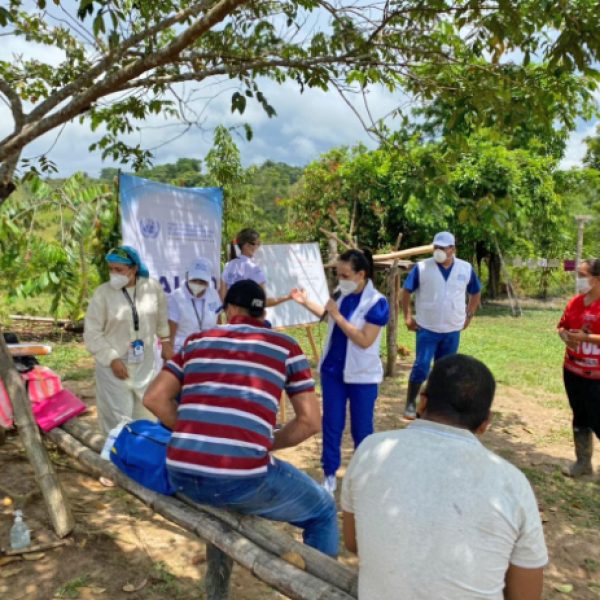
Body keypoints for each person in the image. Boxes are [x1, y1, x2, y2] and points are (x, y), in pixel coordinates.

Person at [143, 279, 339, 556]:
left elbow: (154, 398)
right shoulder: (285, 347)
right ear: (263, 313)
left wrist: (190, 430)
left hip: (181, 474)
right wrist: (266, 443)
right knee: (324, 510)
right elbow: (310, 422)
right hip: (239, 479)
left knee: (233, 486)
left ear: (230, 309)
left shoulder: (197, 341)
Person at [341, 354, 548, 600]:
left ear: (421, 403)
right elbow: (526, 595)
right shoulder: (512, 484)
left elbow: (354, 543)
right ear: (485, 423)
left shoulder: (371, 450)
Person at [291, 249, 389, 495]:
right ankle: (329, 474)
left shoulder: (377, 302)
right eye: (338, 274)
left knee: (361, 428)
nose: (340, 279)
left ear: (361, 274)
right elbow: (328, 317)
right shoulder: (341, 295)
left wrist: (337, 315)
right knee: (332, 424)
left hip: (362, 375)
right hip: (333, 371)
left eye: (345, 274)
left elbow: (365, 340)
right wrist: (306, 303)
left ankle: (363, 476)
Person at [84, 245, 171, 435]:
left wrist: (166, 343)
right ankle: (114, 461)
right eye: (111, 269)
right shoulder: (103, 294)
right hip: (114, 368)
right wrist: (111, 358)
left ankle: (140, 458)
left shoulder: (152, 289)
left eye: (119, 270)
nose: (114, 274)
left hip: (144, 364)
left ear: (133, 269)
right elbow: (92, 332)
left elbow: (161, 320)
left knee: (146, 415)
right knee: (117, 420)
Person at [401, 231, 481, 420]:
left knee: (445, 370)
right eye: (436, 247)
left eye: (443, 248)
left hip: (452, 328)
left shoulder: (465, 268)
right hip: (427, 327)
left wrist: (469, 314)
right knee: (421, 365)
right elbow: (405, 292)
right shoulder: (422, 268)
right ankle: (411, 403)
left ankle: (436, 406)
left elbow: (475, 292)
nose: (439, 251)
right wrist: (407, 316)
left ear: (452, 249)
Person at [557, 258, 600, 477]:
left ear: (597, 278)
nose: (579, 279)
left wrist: (587, 338)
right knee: (580, 416)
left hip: (597, 377)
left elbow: (590, 336)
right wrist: (565, 335)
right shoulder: (574, 302)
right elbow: (562, 326)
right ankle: (583, 463)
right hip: (572, 371)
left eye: (583, 275)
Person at [220, 227, 294, 307]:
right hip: (247, 317)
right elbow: (263, 302)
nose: (258, 247)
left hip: (231, 317)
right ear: (247, 246)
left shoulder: (228, 265)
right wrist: (288, 297)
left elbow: (223, 297)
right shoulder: (254, 269)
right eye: (257, 243)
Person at [167, 258, 221, 353]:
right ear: (187, 276)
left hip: (208, 351)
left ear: (208, 281)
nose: (198, 284)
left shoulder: (214, 295)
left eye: (202, 281)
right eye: (195, 280)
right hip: (182, 352)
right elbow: (170, 336)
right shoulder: (176, 298)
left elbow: (219, 325)